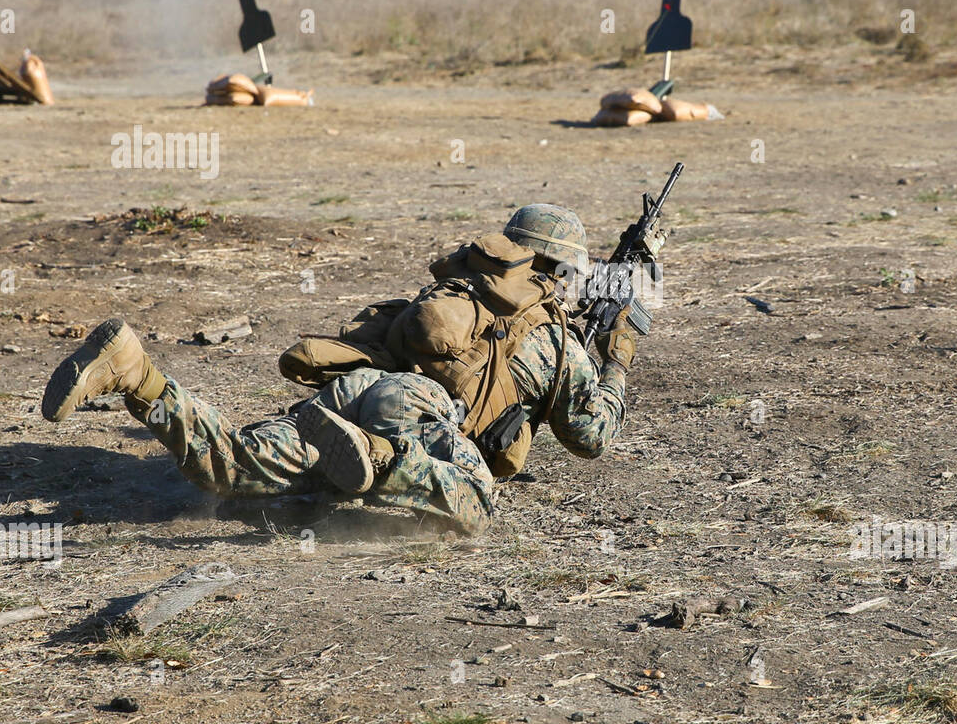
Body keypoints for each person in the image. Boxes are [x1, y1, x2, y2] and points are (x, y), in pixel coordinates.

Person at [40, 205, 639, 536]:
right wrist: (616, 362)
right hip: (417, 413)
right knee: (477, 503)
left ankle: (137, 374)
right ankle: (381, 461)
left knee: (231, 469)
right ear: (562, 271)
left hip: (354, 392)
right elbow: (589, 437)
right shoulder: (557, 339)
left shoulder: (459, 290)